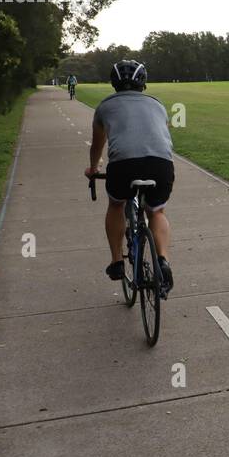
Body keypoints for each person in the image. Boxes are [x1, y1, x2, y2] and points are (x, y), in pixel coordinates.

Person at [83, 60, 175, 290]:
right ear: (143, 83)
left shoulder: (104, 107)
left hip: (123, 165)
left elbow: (97, 146)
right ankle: (162, 260)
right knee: (156, 211)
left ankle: (116, 262)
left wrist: (93, 169)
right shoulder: (158, 104)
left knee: (116, 205)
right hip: (161, 163)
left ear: (113, 83)